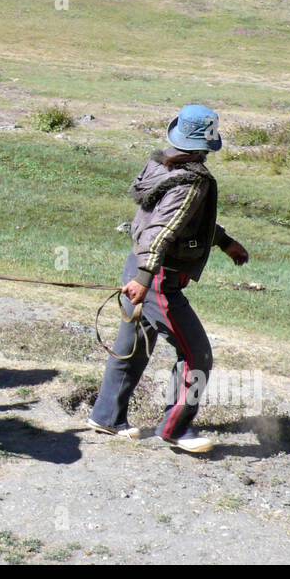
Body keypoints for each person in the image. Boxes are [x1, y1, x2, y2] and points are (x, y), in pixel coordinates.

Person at [87, 104, 250, 454]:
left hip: (138, 268)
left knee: (132, 348)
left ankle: (106, 417)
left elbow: (183, 221)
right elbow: (163, 231)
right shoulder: (191, 181)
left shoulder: (161, 165)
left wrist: (223, 242)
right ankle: (175, 428)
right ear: (206, 144)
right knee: (197, 356)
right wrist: (147, 279)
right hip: (158, 279)